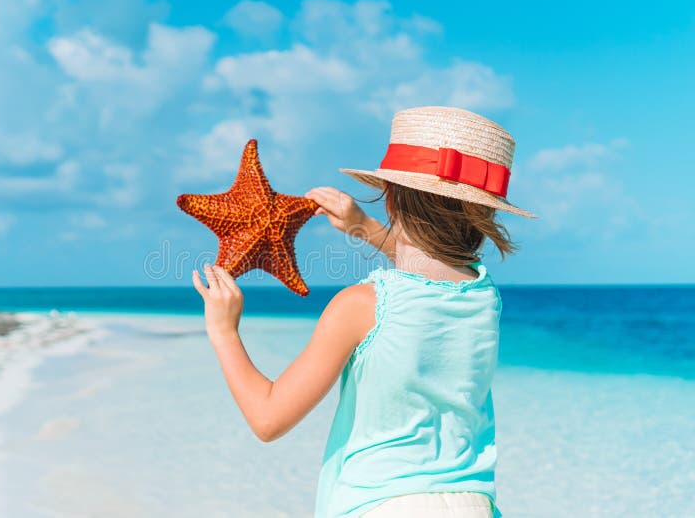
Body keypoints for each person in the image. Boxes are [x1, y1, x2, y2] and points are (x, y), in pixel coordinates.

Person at [191, 106, 536, 517]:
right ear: (484, 211)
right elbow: (434, 274)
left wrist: (223, 331)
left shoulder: (362, 305)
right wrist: (363, 227)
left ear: (389, 196)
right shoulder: (483, 297)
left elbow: (268, 418)